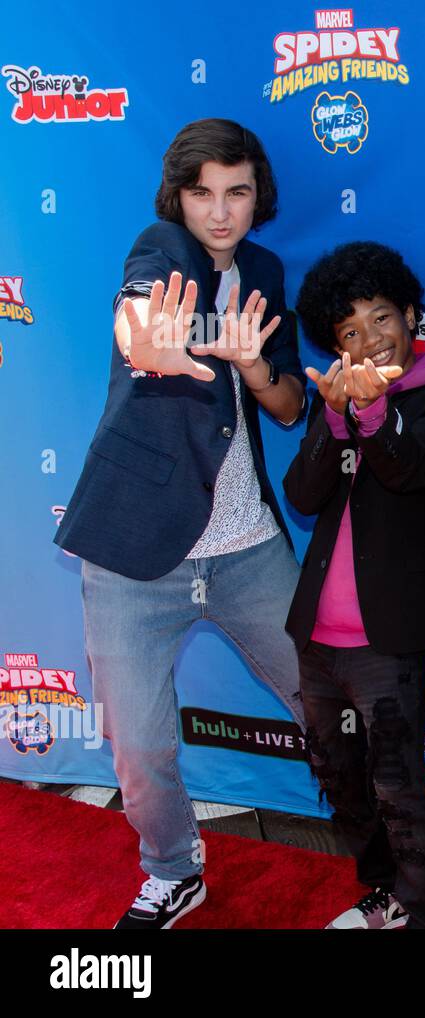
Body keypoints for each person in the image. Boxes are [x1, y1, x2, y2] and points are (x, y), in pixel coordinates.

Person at [55, 118, 308, 929]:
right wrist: (148, 346)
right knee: (140, 748)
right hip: (136, 554)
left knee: (331, 701)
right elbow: (138, 312)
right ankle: (174, 870)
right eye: (203, 193)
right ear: (180, 197)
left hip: (246, 548)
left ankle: (388, 860)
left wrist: (253, 365)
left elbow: (290, 403)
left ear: (256, 195)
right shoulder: (159, 247)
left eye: (237, 193)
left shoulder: (266, 270)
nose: (220, 213)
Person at [283, 241, 425, 930]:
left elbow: (415, 469)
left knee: (397, 785)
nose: (369, 340)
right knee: (341, 778)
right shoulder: (330, 395)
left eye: (382, 318)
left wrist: (373, 415)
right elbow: (302, 492)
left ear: (413, 314)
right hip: (317, 636)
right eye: (350, 331)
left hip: (387, 637)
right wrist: (336, 420)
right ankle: (388, 890)